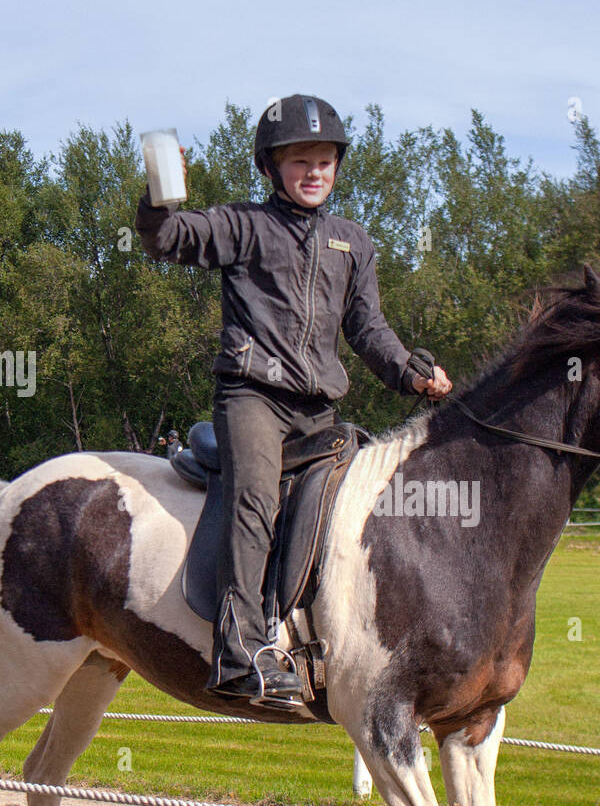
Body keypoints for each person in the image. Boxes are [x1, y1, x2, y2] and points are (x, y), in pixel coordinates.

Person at [136, 94, 451, 703]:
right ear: (271, 168)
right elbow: (168, 238)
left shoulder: (352, 242)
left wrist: (412, 372)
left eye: (325, 161)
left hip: (319, 409)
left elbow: (367, 330)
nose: (314, 172)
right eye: (300, 160)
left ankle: (326, 642)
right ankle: (241, 653)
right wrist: (159, 192)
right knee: (254, 501)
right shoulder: (242, 226)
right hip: (252, 396)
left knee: (352, 510)